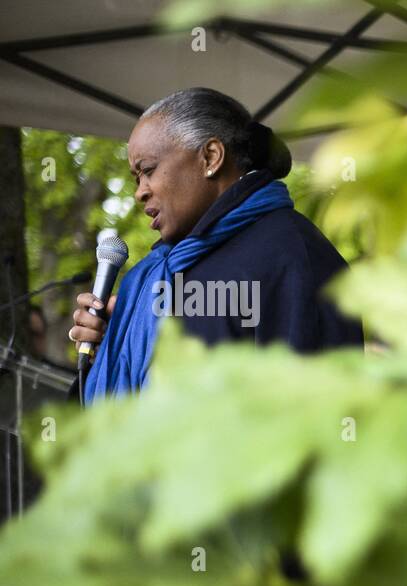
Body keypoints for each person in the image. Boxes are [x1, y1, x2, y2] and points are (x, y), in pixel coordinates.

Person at [68, 87, 362, 403]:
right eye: (136, 179)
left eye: (148, 171)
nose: (140, 192)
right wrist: (109, 351)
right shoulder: (150, 276)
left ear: (210, 157)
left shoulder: (292, 256)